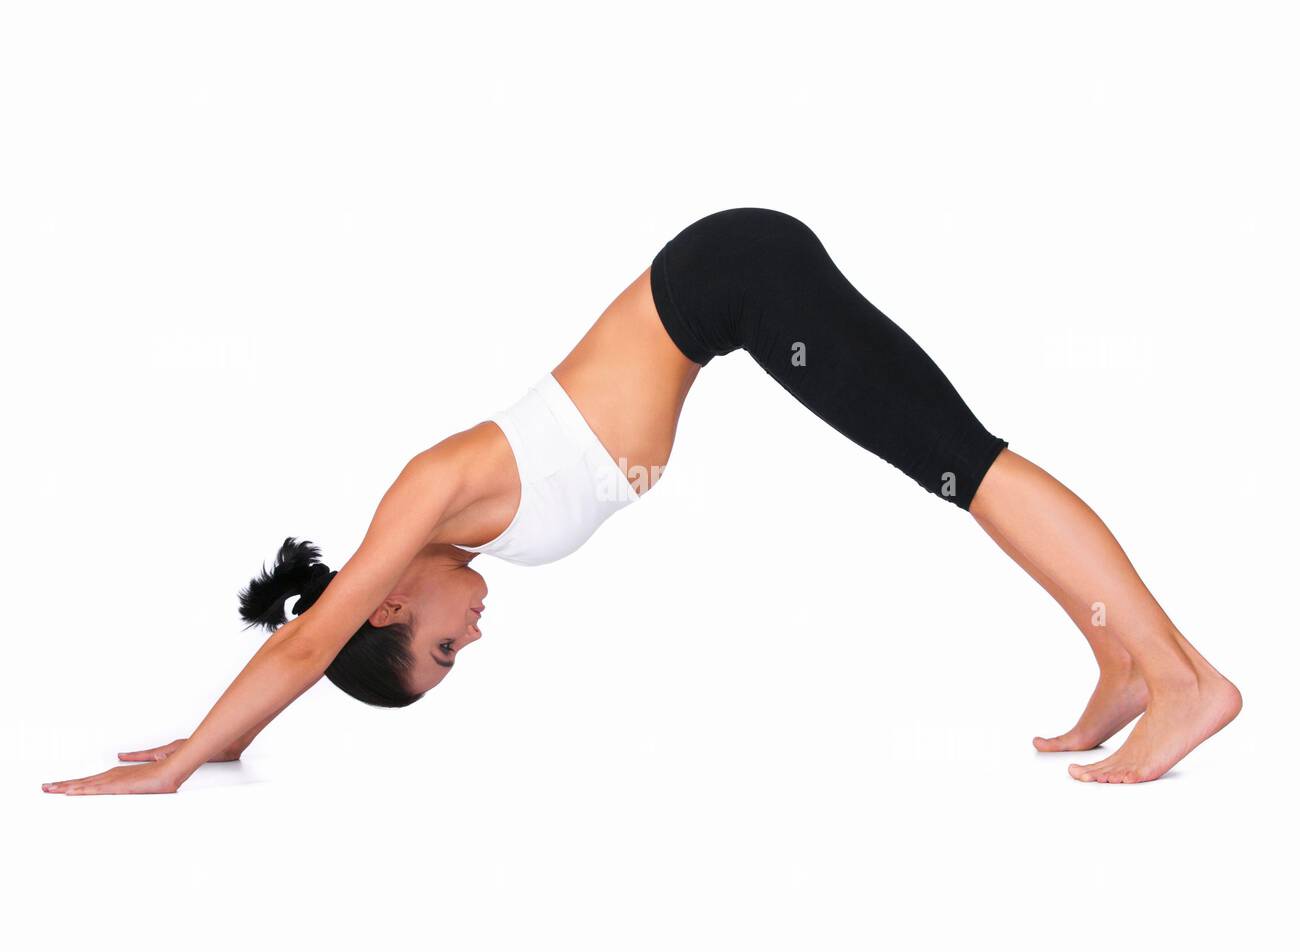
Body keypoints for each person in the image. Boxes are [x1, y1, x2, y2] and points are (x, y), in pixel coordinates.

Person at [43, 208, 1239, 794]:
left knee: (962, 467)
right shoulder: (455, 532)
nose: (475, 634)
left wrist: (180, 758)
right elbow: (312, 646)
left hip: (736, 281)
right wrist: (225, 750)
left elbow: (306, 643)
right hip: (733, 299)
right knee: (954, 462)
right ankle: (1128, 661)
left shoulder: (428, 493)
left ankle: (1183, 684)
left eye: (445, 647)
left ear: (383, 605)